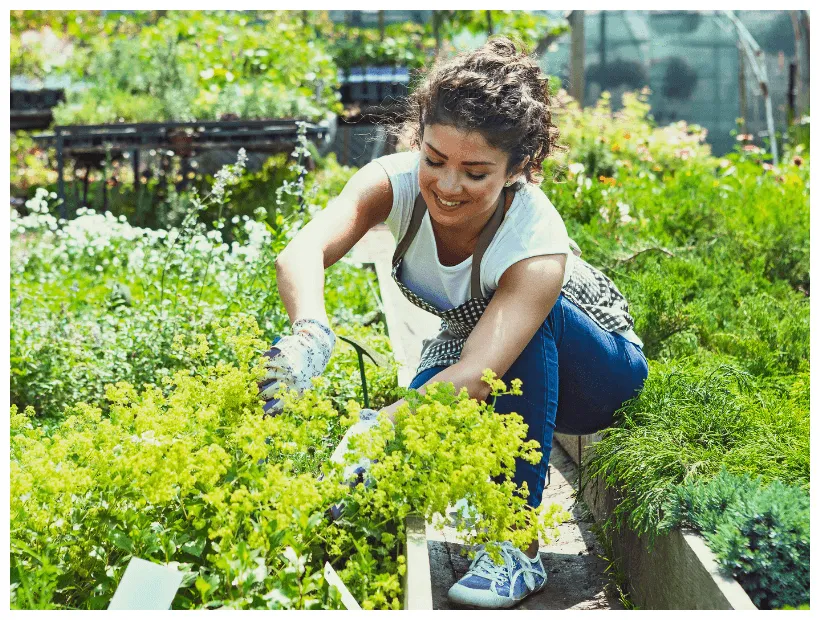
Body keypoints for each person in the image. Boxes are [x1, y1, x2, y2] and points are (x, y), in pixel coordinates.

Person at [259, 37, 648, 609]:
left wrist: (378, 427)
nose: (446, 185)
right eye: (435, 159)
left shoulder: (534, 237)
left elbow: (477, 374)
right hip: (483, 347)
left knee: (427, 406)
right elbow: (301, 252)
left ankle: (516, 546)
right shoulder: (392, 184)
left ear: (518, 169)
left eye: (475, 172)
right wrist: (311, 333)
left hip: (598, 374)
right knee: (403, 444)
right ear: (418, 140)